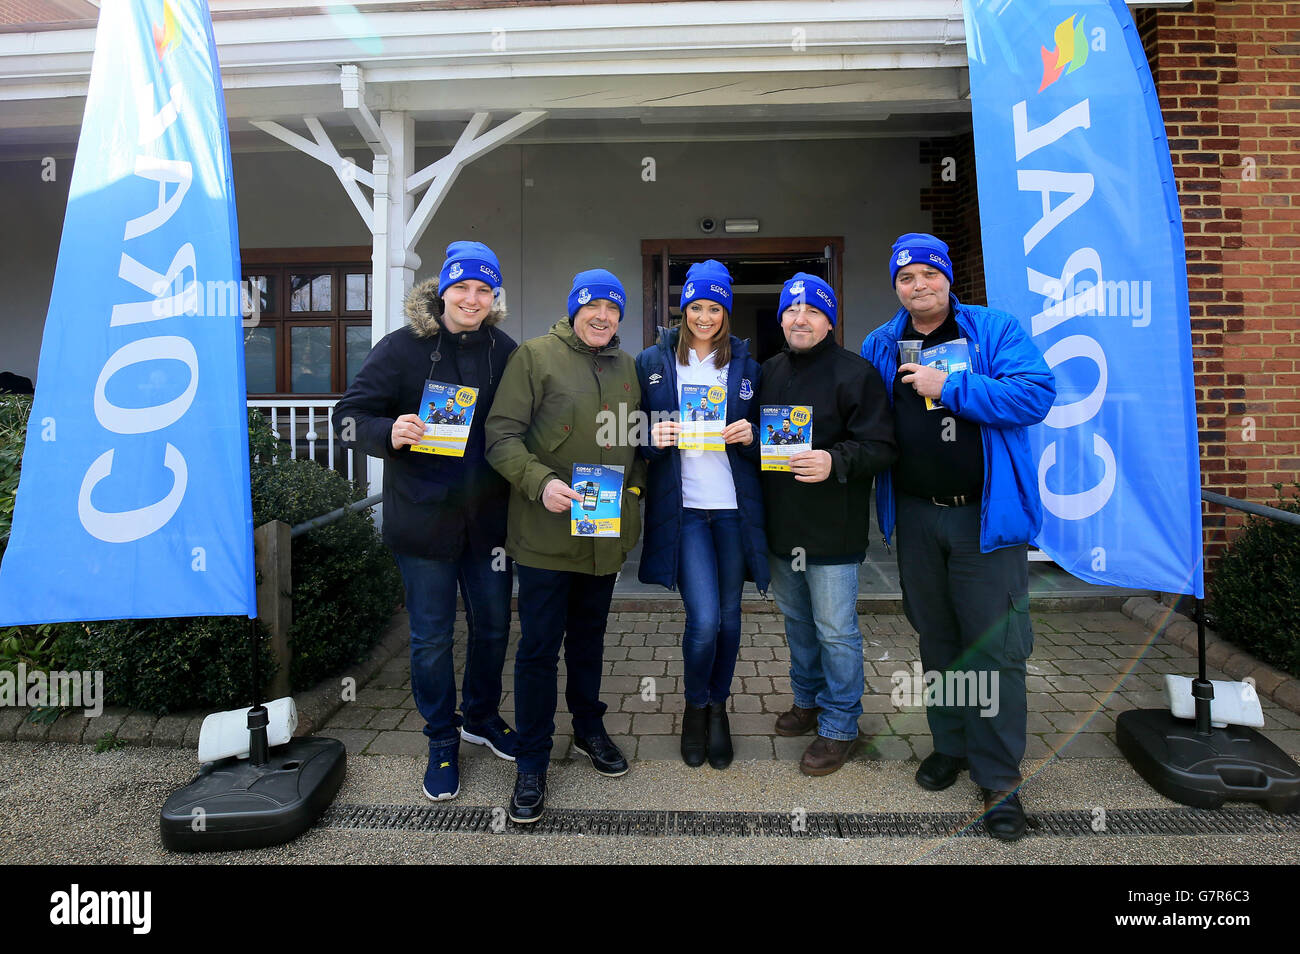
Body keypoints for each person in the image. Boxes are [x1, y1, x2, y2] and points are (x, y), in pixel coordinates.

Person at [861, 232, 1056, 841]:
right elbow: (863, 413)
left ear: (947, 277)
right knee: (938, 639)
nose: (918, 285)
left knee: (994, 648)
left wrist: (950, 389)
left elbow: (1036, 395)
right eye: (905, 278)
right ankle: (950, 746)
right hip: (917, 517)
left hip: (984, 519)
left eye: (928, 273)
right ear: (895, 286)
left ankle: (999, 779)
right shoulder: (881, 343)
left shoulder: (993, 330)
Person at [333, 240, 518, 802]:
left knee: (493, 627)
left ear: (493, 298)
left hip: (488, 525)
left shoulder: (506, 351)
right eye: (461, 287)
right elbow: (347, 418)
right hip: (423, 526)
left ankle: (480, 717)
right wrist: (386, 432)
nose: (472, 298)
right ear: (442, 291)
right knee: (431, 638)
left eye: (483, 289)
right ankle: (441, 738)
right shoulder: (400, 348)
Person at [485, 268, 646, 824]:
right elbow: (500, 437)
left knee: (589, 641)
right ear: (574, 308)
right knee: (537, 650)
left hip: (604, 537)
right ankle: (531, 759)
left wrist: (635, 491)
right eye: (592, 305)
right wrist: (541, 482)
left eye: (612, 307)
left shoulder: (628, 367)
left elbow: (638, 443)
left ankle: (588, 728)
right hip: (546, 536)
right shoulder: (534, 356)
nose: (603, 315)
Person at [759, 273, 897, 776]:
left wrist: (833, 461)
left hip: (832, 532)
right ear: (781, 318)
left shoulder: (856, 374)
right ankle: (808, 701)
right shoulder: (768, 371)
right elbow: (760, 442)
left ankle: (841, 724)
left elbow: (882, 447)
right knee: (797, 624)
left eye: (813, 311)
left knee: (837, 632)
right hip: (782, 528)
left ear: (829, 319)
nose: (801, 319)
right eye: (792, 310)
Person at [635, 259, 768, 770]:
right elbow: (631, 432)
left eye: (715, 307)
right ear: (683, 308)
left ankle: (718, 707)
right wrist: (651, 438)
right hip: (686, 511)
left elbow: (772, 437)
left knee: (731, 622)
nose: (705, 316)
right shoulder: (653, 359)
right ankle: (694, 707)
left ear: (726, 312)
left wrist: (752, 436)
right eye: (696, 306)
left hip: (734, 511)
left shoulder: (747, 367)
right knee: (705, 621)